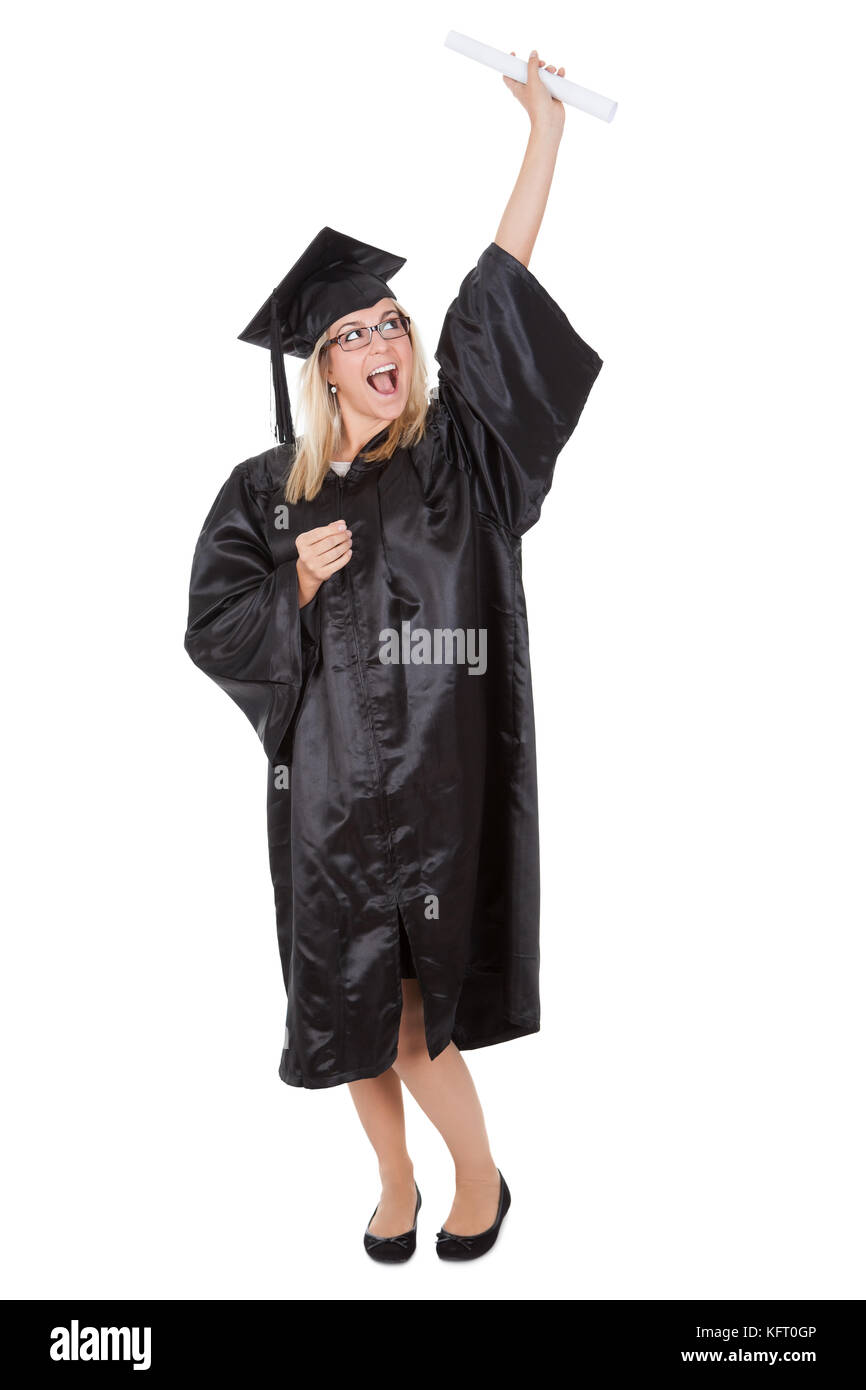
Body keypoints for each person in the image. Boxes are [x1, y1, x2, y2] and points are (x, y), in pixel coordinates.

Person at [183, 50, 603, 1262]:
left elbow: (500, 288)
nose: (384, 339)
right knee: (347, 1018)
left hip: (436, 791)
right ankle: (392, 1178)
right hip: (325, 801)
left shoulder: (460, 459)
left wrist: (544, 137)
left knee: (421, 1018)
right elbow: (212, 626)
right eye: (354, 330)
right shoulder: (262, 496)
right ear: (319, 366)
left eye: (391, 322)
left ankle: (479, 1171)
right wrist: (292, 585)